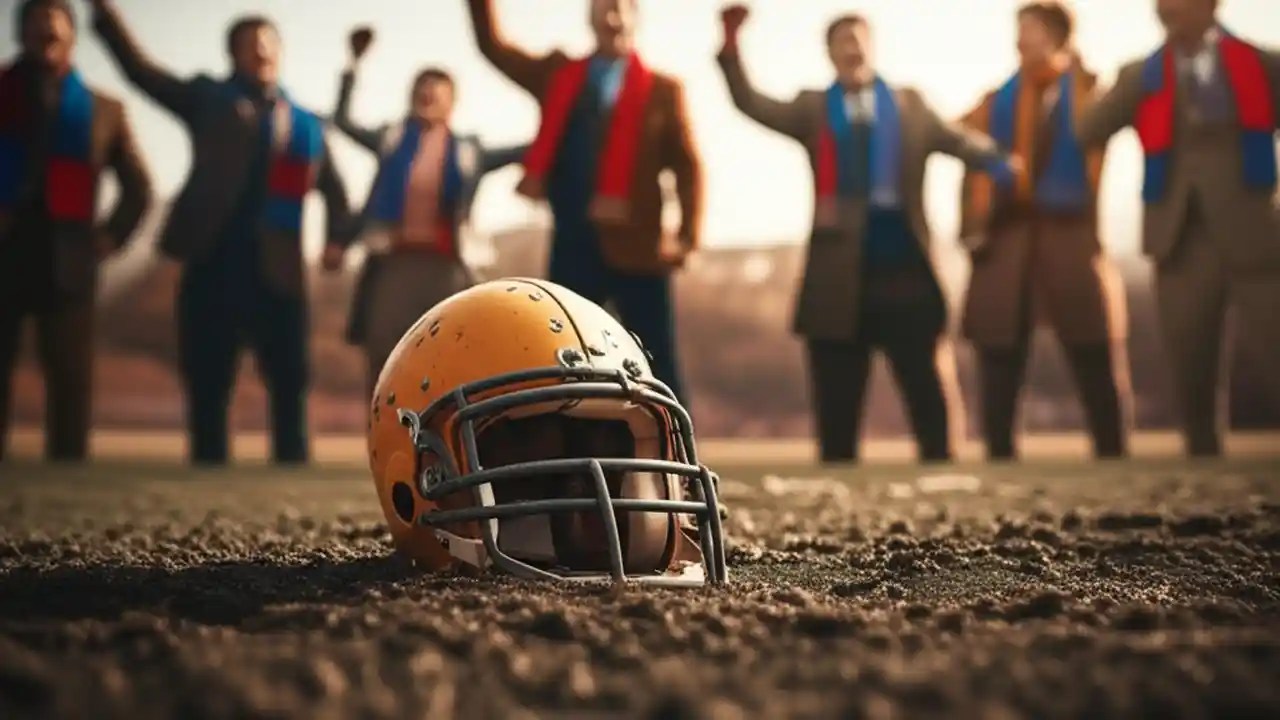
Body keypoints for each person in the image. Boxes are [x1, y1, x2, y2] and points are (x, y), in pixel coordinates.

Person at [717, 6, 1017, 464]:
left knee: (928, 391)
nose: (852, 49)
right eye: (842, 43)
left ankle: (943, 475)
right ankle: (837, 483)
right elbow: (753, 103)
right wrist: (731, 47)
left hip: (906, 270)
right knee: (836, 397)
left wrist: (998, 161)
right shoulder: (813, 108)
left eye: (858, 40)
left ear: (872, 48)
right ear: (830, 55)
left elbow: (956, 140)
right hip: (838, 276)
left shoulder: (909, 104)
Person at [86, 0, 354, 465]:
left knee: (290, 379)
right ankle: (207, 470)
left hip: (281, 271)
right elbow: (140, 73)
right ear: (233, 55)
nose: (261, 51)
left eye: (269, 43)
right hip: (212, 261)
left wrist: (335, 240)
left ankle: (292, 472)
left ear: (281, 53)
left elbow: (336, 190)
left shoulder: (306, 123)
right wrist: (106, 17)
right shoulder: (207, 99)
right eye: (250, 44)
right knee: (208, 379)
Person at [464, 0, 703, 406]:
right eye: (604, 7)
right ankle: (567, 454)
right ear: (590, 18)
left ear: (635, 18)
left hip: (641, 249)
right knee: (564, 354)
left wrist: (686, 238)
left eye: (622, 7)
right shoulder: (559, 75)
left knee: (657, 359)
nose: (613, 15)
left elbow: (688, 167)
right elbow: (495, 48)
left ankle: (678, 460)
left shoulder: (664, 90)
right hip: (574, 244)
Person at [1074, 0, 1280, 457]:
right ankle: (1202, 454)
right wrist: (1086, 84)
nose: (1166, 9)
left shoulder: (1261, 64)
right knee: (1190, 355)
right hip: (1178, 235)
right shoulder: (1142, 75)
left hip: (1254, 233)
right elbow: (1087, 130)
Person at [958, 1, 1132, 461]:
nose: (1020, 40)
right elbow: (959, 139)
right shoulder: (997, 99)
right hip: (1008, 233)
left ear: (1058, 37)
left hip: (1070, 231)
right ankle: (998, 453)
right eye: (1018, 30)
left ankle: (1112, 451)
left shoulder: (1091, 92)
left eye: (1030, 30)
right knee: (998, 346)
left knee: (1092, 343)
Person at [331, 27, 530, 394]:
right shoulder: (391, 139)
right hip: (394, 264)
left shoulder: (468, 151)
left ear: (451, 102)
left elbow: (524, 151)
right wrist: (352, 67)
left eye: (436, 92)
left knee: (449, 355)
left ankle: (444, 442)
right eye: (420, 90)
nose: (427, 96)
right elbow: (343, 122)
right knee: (383, 354)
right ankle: (384, 437)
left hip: (447, 266)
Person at [0, 0, 151, 462]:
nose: (46, 30)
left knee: (70, 375)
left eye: (55, 22)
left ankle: (67, 466)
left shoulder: (103, 109)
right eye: (36, 23)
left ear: (71, 35)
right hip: (5, 247)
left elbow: (138, 187)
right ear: (20, 33)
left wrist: (110, 237)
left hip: (70, 254)